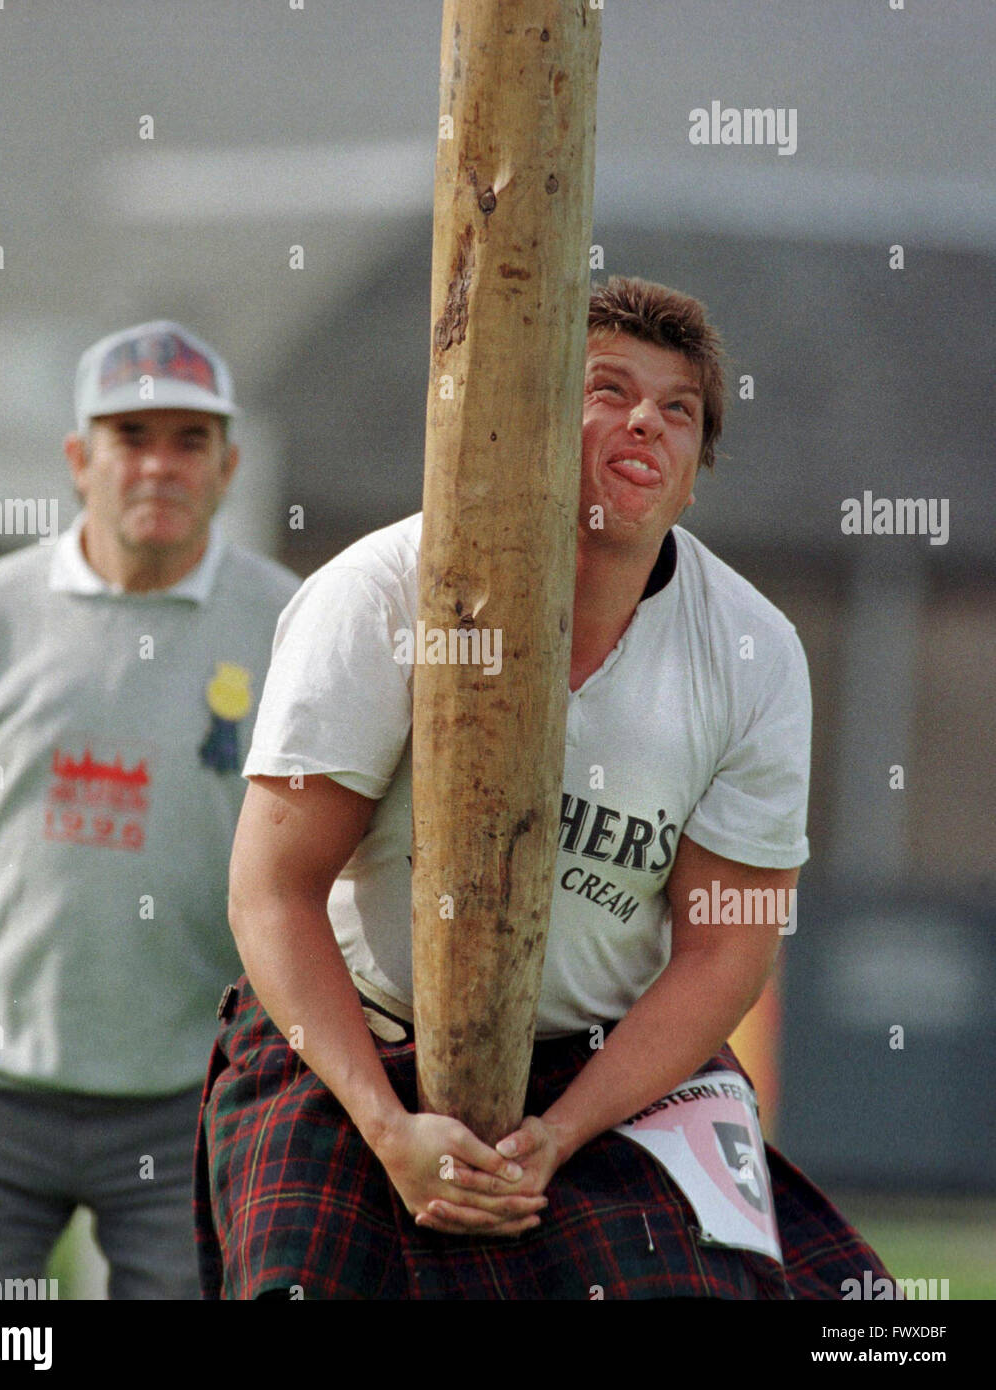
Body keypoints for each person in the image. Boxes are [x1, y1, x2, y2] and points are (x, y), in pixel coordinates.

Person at [195, 278, 891, 1299]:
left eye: (679, 409)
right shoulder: (381, 592)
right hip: (356, 1034)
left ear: (695, 472)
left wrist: (562, 1131)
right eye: (607, 388)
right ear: (529, 420)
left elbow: (726, 944)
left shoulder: (751, 650)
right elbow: (272, 891)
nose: (646, 418)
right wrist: (388, 1127)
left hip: (607, 1070)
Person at [0, 320, 299, 1299]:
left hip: (195, 1097)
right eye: (131, 437)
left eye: (188, 439)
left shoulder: (292, 629)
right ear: (81, 458)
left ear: (229, 464)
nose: (159, 463)